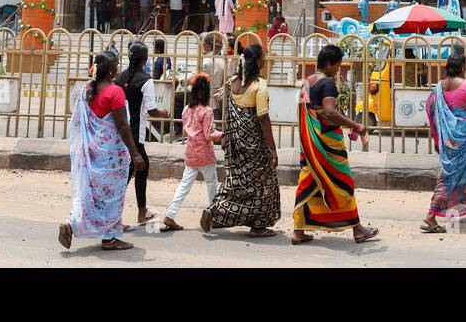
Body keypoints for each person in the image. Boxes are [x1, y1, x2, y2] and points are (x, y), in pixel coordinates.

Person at [292, 44, 379, 245]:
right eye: (338, 66)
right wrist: (356, 125)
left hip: (310, 144)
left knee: (308, 182)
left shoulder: (305, 83)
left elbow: (311, 114)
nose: (338, 70)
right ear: (329, 64)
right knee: (343, 182)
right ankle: (358, 230)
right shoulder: (328, 83)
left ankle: (299, 230)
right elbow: (329, 112)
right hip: (327, 145)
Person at [59, 52, 145, 252]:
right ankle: (110, 237)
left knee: (93, 194)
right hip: (111, 156)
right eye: (116, 66)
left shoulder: (88, 89)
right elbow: (122, 125)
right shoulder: (115, 92)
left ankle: (72, 223)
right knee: (112, 196)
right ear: (112, 71)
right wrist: (136, 154)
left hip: (92, 153)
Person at [202, 44, 279, 237]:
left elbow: (229, 114)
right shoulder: (259, 85)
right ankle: (257, 226)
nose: (265, 59)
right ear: (258, 61)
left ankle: (218, 213)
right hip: (256, 146)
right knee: (261, 185)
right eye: (263, 56)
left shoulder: (231, 83)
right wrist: (273, 148)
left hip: (236, 144)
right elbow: (262, 118)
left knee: (236, 185)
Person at [421, 51, 466, 232]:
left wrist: (439, 136)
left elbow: (430, 108)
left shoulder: (439, 87)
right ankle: (431, 216)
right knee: (451, 174)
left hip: (448, 137)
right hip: (462, 135)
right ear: (462, 67)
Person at [161, 73, 223, 231]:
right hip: (205, 154)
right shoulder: (207, 111)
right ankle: (214, 215)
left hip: (191, 153)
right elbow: (208, 135)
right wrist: (222, 134)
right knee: (211, 184)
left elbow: (187, 131)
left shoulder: (186, 109)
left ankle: (170, 214)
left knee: (184, 185)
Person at [117, 43, 170, 225]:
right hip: (135, 135)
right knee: (132, 172)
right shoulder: (145, 80)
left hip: (120, 131)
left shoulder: (120, 77)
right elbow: (152, 110)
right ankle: (119, 216)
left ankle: (141, 211)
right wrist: (164, 113)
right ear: (145, 59)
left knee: (136, 170)